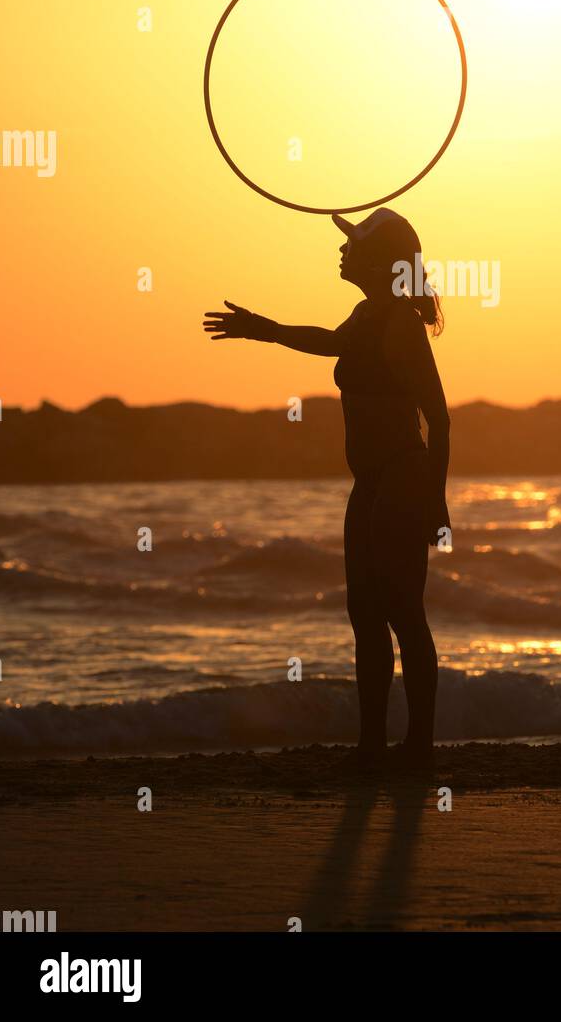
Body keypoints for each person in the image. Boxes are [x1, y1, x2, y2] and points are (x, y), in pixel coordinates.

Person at [202, 208, 450, 773]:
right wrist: (264, 329)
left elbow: (440, 419)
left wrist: (434, 501)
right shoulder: (367, 314)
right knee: (364, 611)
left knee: (403, 613)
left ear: (378, 260)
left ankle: (419, 747)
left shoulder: (402, 326)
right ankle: (371, 745)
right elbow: (328, 342)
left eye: (352, 244)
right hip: (370, 482)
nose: (341, 251)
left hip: (402, 477)